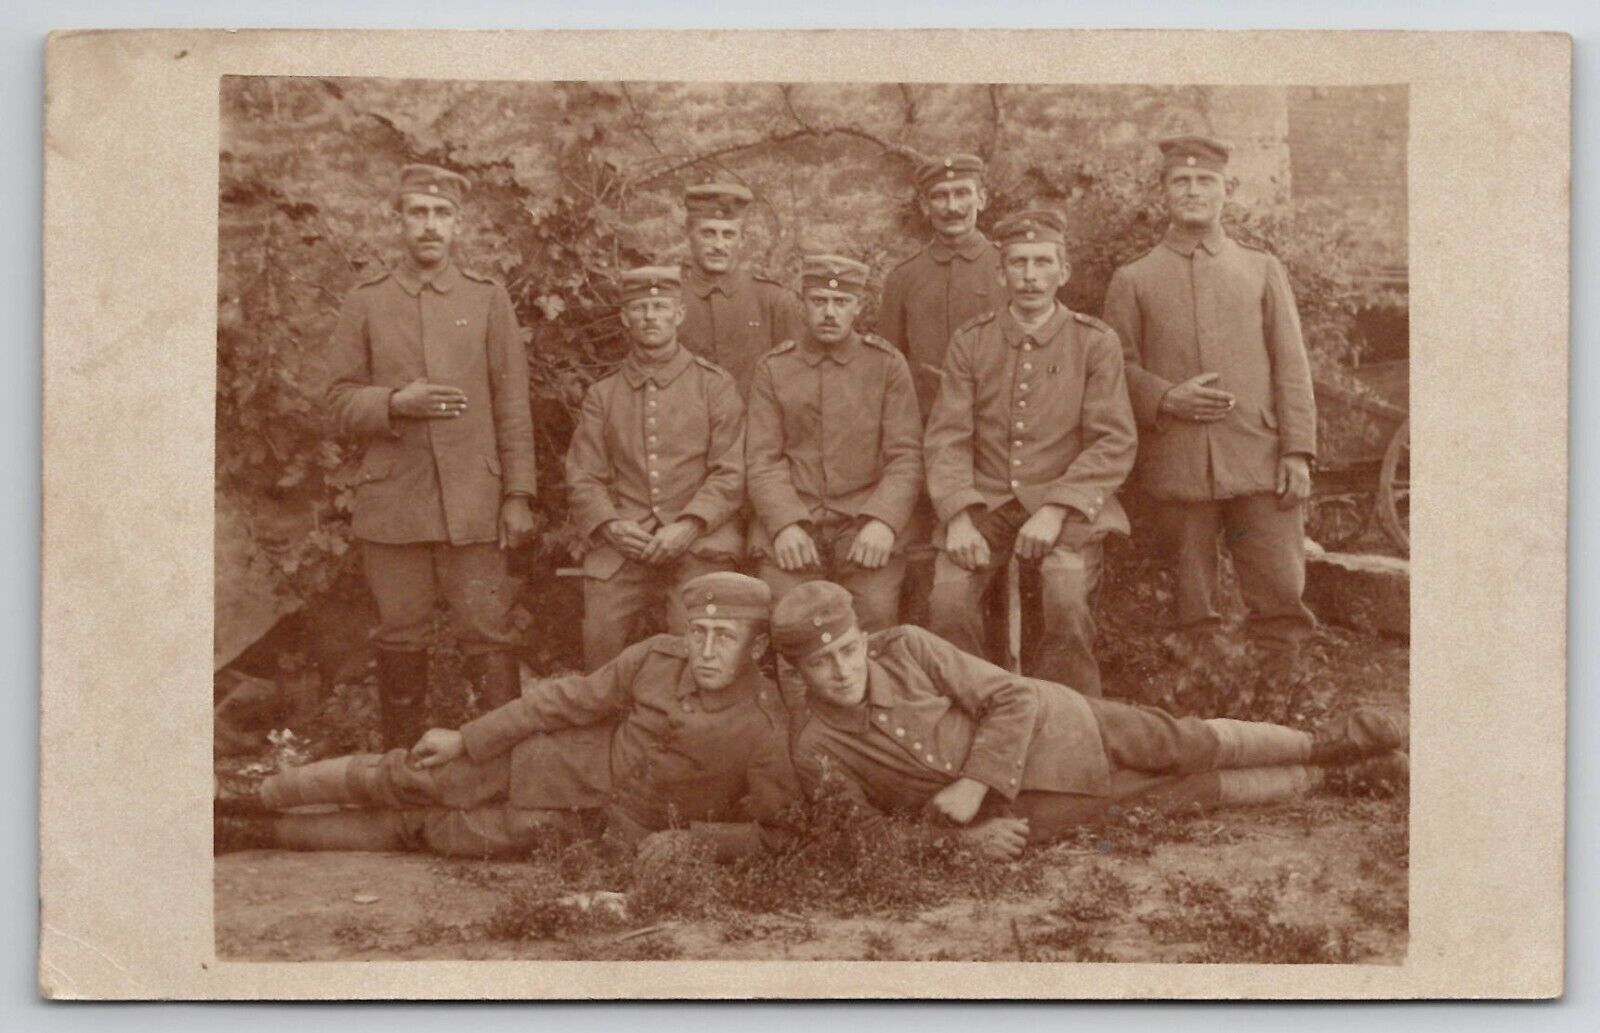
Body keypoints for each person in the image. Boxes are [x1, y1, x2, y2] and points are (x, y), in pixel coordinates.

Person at [773, 581, 1406, 859]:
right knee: (1176, 797)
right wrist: (959, 843)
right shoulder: (818, 748)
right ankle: (1334, 781)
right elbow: (863, 837)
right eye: (821, 663)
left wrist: (972, 782)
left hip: (1062, 722)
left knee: (1182, 742)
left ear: (865, 636)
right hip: (1027, 810)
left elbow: (1013, 698)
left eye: (849, 649)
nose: (842, 670)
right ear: (799, 673)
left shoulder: (908, 646)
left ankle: (1327, 744)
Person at [215, 573, 795, 862]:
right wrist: (468, 738)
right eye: (700, 632)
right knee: (406, 775)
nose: (708, 649)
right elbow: (559, 700)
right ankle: (250, 797)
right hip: (540, 765)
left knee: (420, 832)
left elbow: (774, 833)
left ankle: (255, 836)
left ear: (759, 648)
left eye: (727, 636)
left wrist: (688, 844)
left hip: (578, 835)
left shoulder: (767, 730)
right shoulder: (655, 659)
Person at [325, 164, 538, 749]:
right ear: (398, 221)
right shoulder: (366, 301)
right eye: (417, 212)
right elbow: (334, 401)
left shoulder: (487, 298)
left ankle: (504, 769)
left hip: (475, 502)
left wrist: (518, 494)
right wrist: (395, 402)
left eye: (441, 214)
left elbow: (512, 403)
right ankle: (400, 776)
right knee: (399, 635)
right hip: (394, 505)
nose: (429, 225)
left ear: (458, 224)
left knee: (489, 633)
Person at [1102, 136, 1318, 680]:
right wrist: (1165, 396)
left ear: (1227, 191)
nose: (1193, 190)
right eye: (1181, 181)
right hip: (1178, 464)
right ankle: (1200, 711)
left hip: (1259, 458)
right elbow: (1111, 369)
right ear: (1163, 193)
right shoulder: (1133, 278)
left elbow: (1291, 366)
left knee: (1280, 596)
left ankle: (1281, 704)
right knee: (1190, 608)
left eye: (1205, 181)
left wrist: (1297, 452)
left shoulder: (1261, 268)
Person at [923, 208, 1137, 697]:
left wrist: (1057, 509)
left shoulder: (1094, 342)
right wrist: (957, 516)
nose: (1031, 276)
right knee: (949, 603)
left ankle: (1073, 725)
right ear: (1001, 273)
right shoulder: (972, 341)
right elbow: (947, 436)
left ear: (1063, 272)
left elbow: (1113, 440)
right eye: (1018, 263)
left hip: (1068, 508)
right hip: (985, 505)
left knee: (1064, 601)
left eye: (1043, 263)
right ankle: (973, 714)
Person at [565, 266, 747, 670]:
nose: (650, 316)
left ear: (679, 315)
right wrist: (611, 525)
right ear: (625, 319)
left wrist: (690, 524)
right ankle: (606, 727)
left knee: (698, 637)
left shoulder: (714, 386)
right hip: (625, 544)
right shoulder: (603, 395)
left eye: (660, 307)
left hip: (701, 542)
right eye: (639, 308)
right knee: (600, 633)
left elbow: (731, 472)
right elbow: (584, 476)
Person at [745, 254, 923, 633]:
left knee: (875, 615)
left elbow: (906, 457)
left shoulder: (887, 365)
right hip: (797, 520)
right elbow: (762, 459)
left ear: (858, 307)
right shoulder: (774, 368)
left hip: (863, 522)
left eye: (841, 302)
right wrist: (784, 525)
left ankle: (874, 694)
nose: (829, 313)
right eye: (818, 301)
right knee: (788, 621)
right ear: (802, 304)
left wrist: (883, 522)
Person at [875, 152, 1003, 624]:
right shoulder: (905, 277)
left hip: (996, 445)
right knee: (925, 565)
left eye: (962, 193)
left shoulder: (1008, 268)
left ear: (982, 199)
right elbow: (886, 367)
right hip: (924, 440)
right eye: (940, 196)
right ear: (925, 206)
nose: (952, 206)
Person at [677, 182, 805, 397]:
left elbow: (797, 382)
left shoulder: (773, 301)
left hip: (756, 427)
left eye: (728, 235)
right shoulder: (671, 301)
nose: (719, 245)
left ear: (742, 239)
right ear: (689, 234)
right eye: (708, 233)